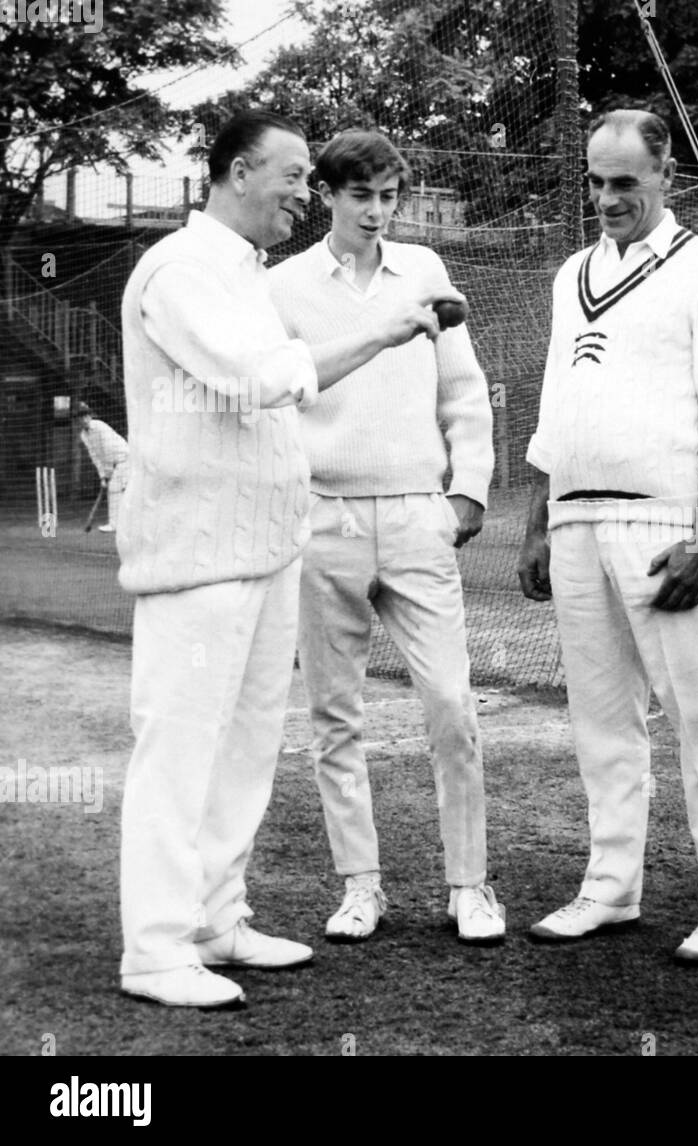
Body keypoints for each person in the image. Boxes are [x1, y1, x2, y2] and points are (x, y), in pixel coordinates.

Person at [116, 110, 459, 1009]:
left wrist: (387, 331)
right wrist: (386, 330)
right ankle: (154, 952)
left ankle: (216, 920)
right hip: (196, 559)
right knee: (180, 751)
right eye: (295, 175)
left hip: (264, 550)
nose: (307, 194)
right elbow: (257, 379)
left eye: (311, 178)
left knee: (245, 747)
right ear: (234, 173)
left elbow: (278, 380)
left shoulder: (243, 274)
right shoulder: (182, 270)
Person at [518, 108, 698, 962]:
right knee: (600, 718)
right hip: (579, 517)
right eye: (595, 181)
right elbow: (556, 406)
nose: (607, 197)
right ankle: (611, 887)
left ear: (668, 177)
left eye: (625, 182)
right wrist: (538, 522)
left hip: (664, 522)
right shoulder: (570, 275)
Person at [269, 130, 503, 946]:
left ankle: (470, 887)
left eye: (389, 196)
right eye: (360, 195)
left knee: (449, 704)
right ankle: (360, 886)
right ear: (328, 196)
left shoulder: (426, 273)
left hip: (414, 515)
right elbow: (272, 402)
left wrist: (466, 489)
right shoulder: (283, 285)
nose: (377, 211)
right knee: (336, 715)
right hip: (323, 518)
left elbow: (466, 392)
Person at [73, 402, 128, 531]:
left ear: (90, 416)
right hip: (113, 464)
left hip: (125, 459)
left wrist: (108, 473)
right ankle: (116, 524)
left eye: (85, 416)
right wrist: (102, 476)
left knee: (122, 490)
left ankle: (122, 525)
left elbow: (107, 450)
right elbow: (95, 457)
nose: (83, 419)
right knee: (114, 491)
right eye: (80, 417)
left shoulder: (99, 427)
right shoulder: (84, 435)